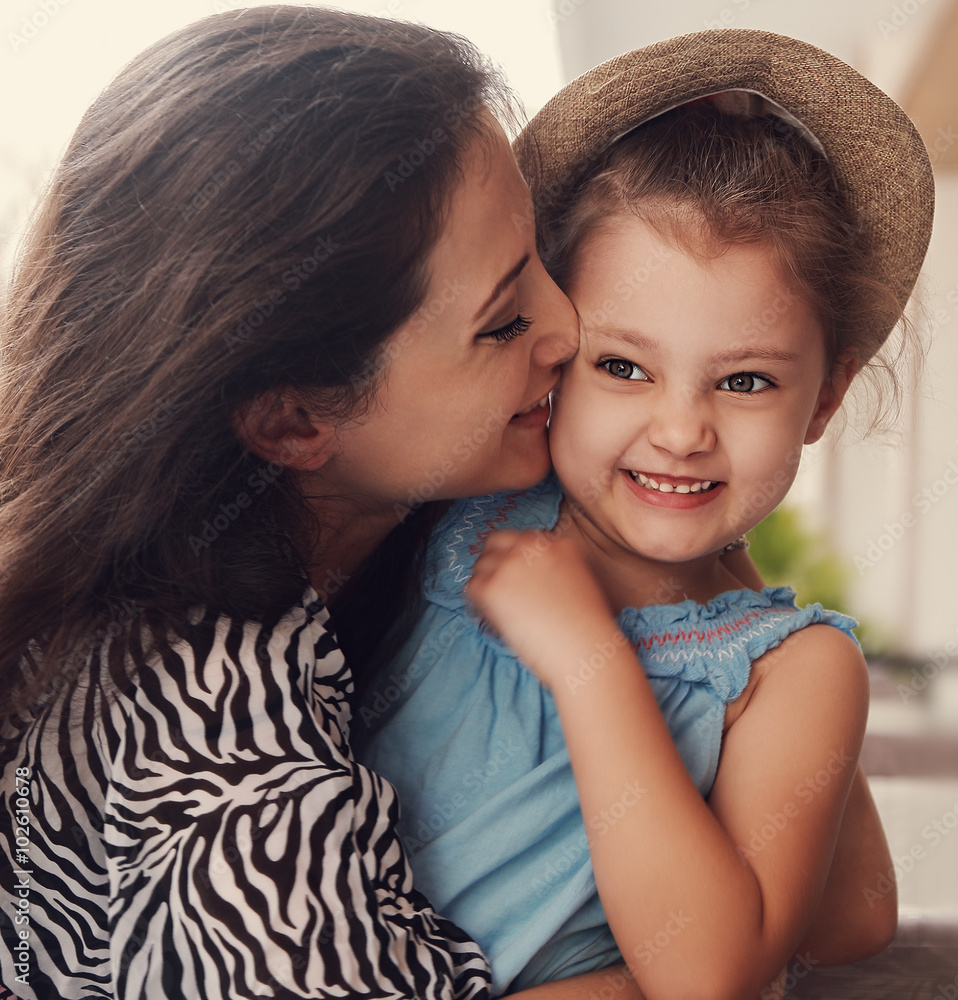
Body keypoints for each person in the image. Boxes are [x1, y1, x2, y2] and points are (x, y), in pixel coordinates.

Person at [0, 6, 658, 998]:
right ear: (294, 423)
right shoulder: (225, 778)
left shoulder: (422, 530)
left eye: (542, 263)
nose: (566, 325)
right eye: (501, 320)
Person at [356, 30, 934, 1000]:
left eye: (743, 380)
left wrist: (589, 659)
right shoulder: (467, 507)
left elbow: (711, 975)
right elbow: (857, 913)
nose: (678, 431)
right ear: (551, 349)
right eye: (621, 366)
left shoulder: (789, 670)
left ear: (824, 399)